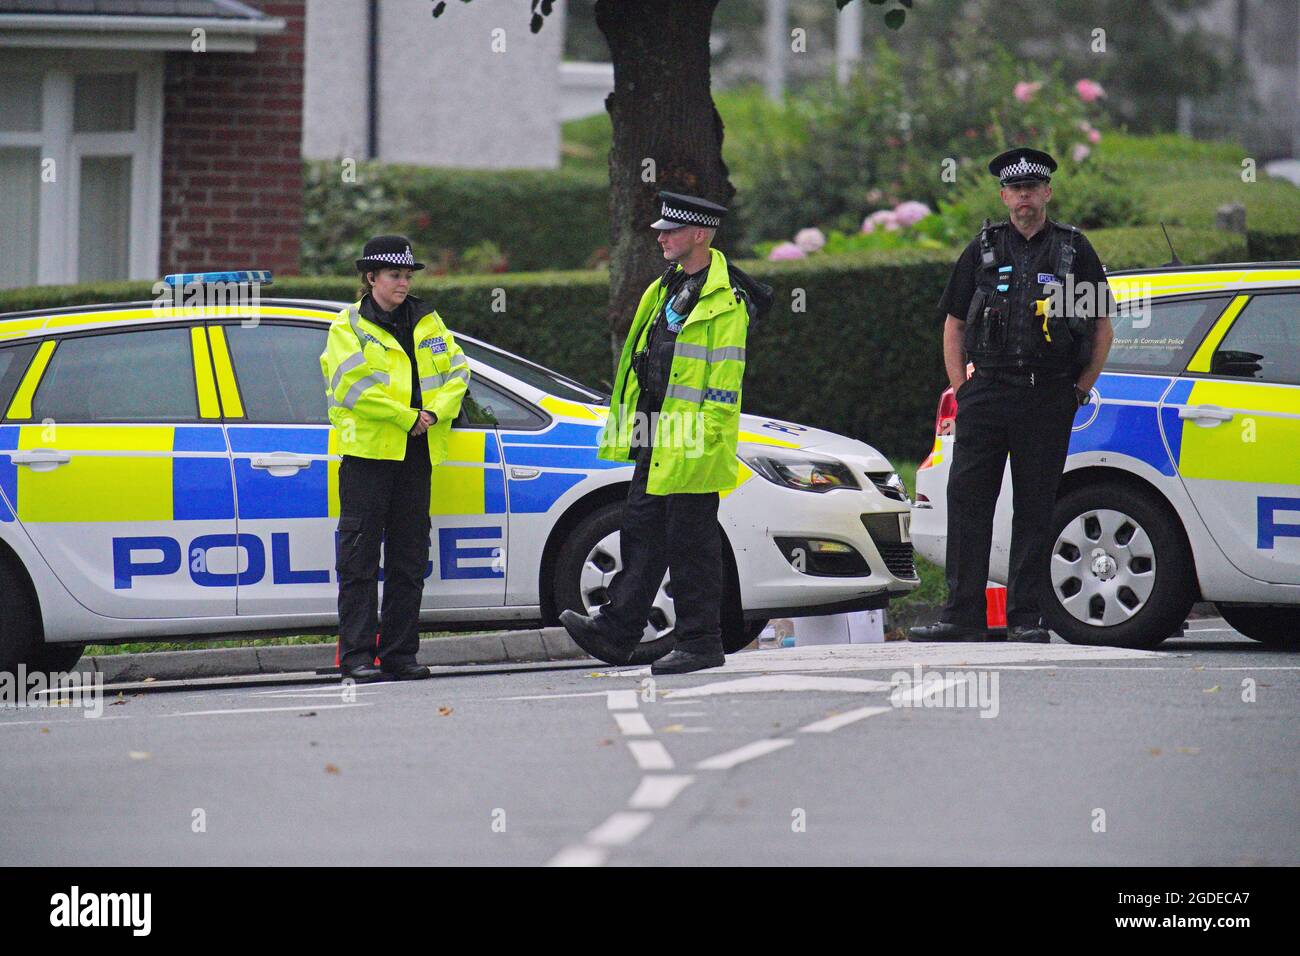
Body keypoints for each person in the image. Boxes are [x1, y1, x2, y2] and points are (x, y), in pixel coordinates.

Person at [560, 191, 770, 675]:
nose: (659, 236)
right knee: (642, 531)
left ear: (698, 234)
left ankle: (700, 641)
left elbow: (724, 384)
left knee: (690, 543)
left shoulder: (725, 301)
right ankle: (617, 631)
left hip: (693, 441)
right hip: (656, 432)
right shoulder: (666, 288)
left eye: (670, 230)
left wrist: (706, 442)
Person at [909, 148, 1114, 644]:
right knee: (968, 505)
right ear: (1004, 195)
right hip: (988, 394)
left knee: (1035, 509)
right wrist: (962, 389)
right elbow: (954, 324)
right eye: (1015, 190)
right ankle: (962, 616)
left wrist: (1079, 389)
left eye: (1033, 188)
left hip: (1047, 397)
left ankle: (1027, 617)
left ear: (1047, 192)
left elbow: (1102, 327)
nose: (1024, 197)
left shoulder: (1071, 251)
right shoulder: (982, 248)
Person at [320, 235, 470, 681]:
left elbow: (458, 372)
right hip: (368, 456)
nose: (403, 283)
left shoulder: (428, 321)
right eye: (394, 275)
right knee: (359, 560)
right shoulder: (347, 326)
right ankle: (358, 657)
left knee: (409, 559)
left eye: (407, 275)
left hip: (417, 454)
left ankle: (401, 655)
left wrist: (434, 413)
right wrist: (407, 417)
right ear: (371, 278)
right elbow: (353, 388)